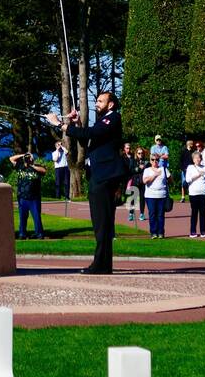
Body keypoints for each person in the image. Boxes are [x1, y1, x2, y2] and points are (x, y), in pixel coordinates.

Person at [48, 90, 125, 275]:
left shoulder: (112, 118)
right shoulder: (104, 119)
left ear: (111, 104)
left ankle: (101, 265)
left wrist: (60, 124)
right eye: (97, 100)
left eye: (100, 101)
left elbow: (92, 132)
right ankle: (103, 264)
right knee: (102, 223)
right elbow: (86, 137)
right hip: (100, 175)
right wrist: (76, 123)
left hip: (105, 176)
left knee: (102, 223)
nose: (96, 103)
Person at [10, 152, 45, 240]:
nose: (28, 159)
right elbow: (11, 159)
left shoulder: (36, 167)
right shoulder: (20, 166)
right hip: (22, 197)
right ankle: (22, 234)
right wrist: (23, 155)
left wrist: (32, 164)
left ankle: (39, 234)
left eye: (29, 158)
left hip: (34, 197)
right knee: (22, 217)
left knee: (36, 216)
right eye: (27, 158)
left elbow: (44, 171)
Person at [142, 150, 169, 239]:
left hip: (162, 195)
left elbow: (170, 179)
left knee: (160, 215)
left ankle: (161, 232)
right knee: (152, 214)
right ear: (150, 161)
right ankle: (153, 233)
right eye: (152, 160)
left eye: (156, 159)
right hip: (150, 196)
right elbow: (145, 181)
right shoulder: (147, 170)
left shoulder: (163, 169)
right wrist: (155, 175)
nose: (155, 161)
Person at [185, 151, 205, 238]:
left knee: (203, 213)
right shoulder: (190, 168)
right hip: (193, 193)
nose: (198, 159)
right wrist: (198, 175)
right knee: (194, 212)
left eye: (199, 158)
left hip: (204, 193)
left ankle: (203, 231)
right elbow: (187, 180)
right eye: (196, 158)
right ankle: (193, 231)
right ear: (193, 160)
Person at [121, 142, 138, 223]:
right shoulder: (122, 157)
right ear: (124, 149)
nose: (128, 149)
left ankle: (131, 213)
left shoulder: (133, 157)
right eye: (127, 148)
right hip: (124, 178)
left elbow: (135, 167)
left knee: (133, 196)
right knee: (125, 196)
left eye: (129, 148)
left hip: (132, 178)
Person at [133, 146, 147, 220]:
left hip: (143, 182)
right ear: (136, 154)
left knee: (142, 198)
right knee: (134, 198)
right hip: (135, 181)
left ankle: (142, 214)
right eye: (139, 153)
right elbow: (131, 169)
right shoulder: (133, 161)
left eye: (142, 153)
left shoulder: (146, 161)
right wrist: (139, 168)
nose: (140, 154)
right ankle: (131, 213)